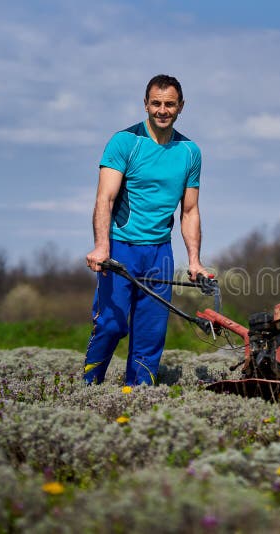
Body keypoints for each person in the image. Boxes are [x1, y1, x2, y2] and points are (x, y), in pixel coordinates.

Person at [83, 74, 209, 386]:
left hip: (159, 254)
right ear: (146, 104)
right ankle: (87, 388)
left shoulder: (190, 151)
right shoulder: (125, 142)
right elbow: (105, 198)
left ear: (181, 107)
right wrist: (101, 246)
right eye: (156, 103)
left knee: (150, 334)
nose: (162, 110)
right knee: (111, 325)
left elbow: (189, 210)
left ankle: (137, 396)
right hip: (121, 248)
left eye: (169, 104)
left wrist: (194, 260)